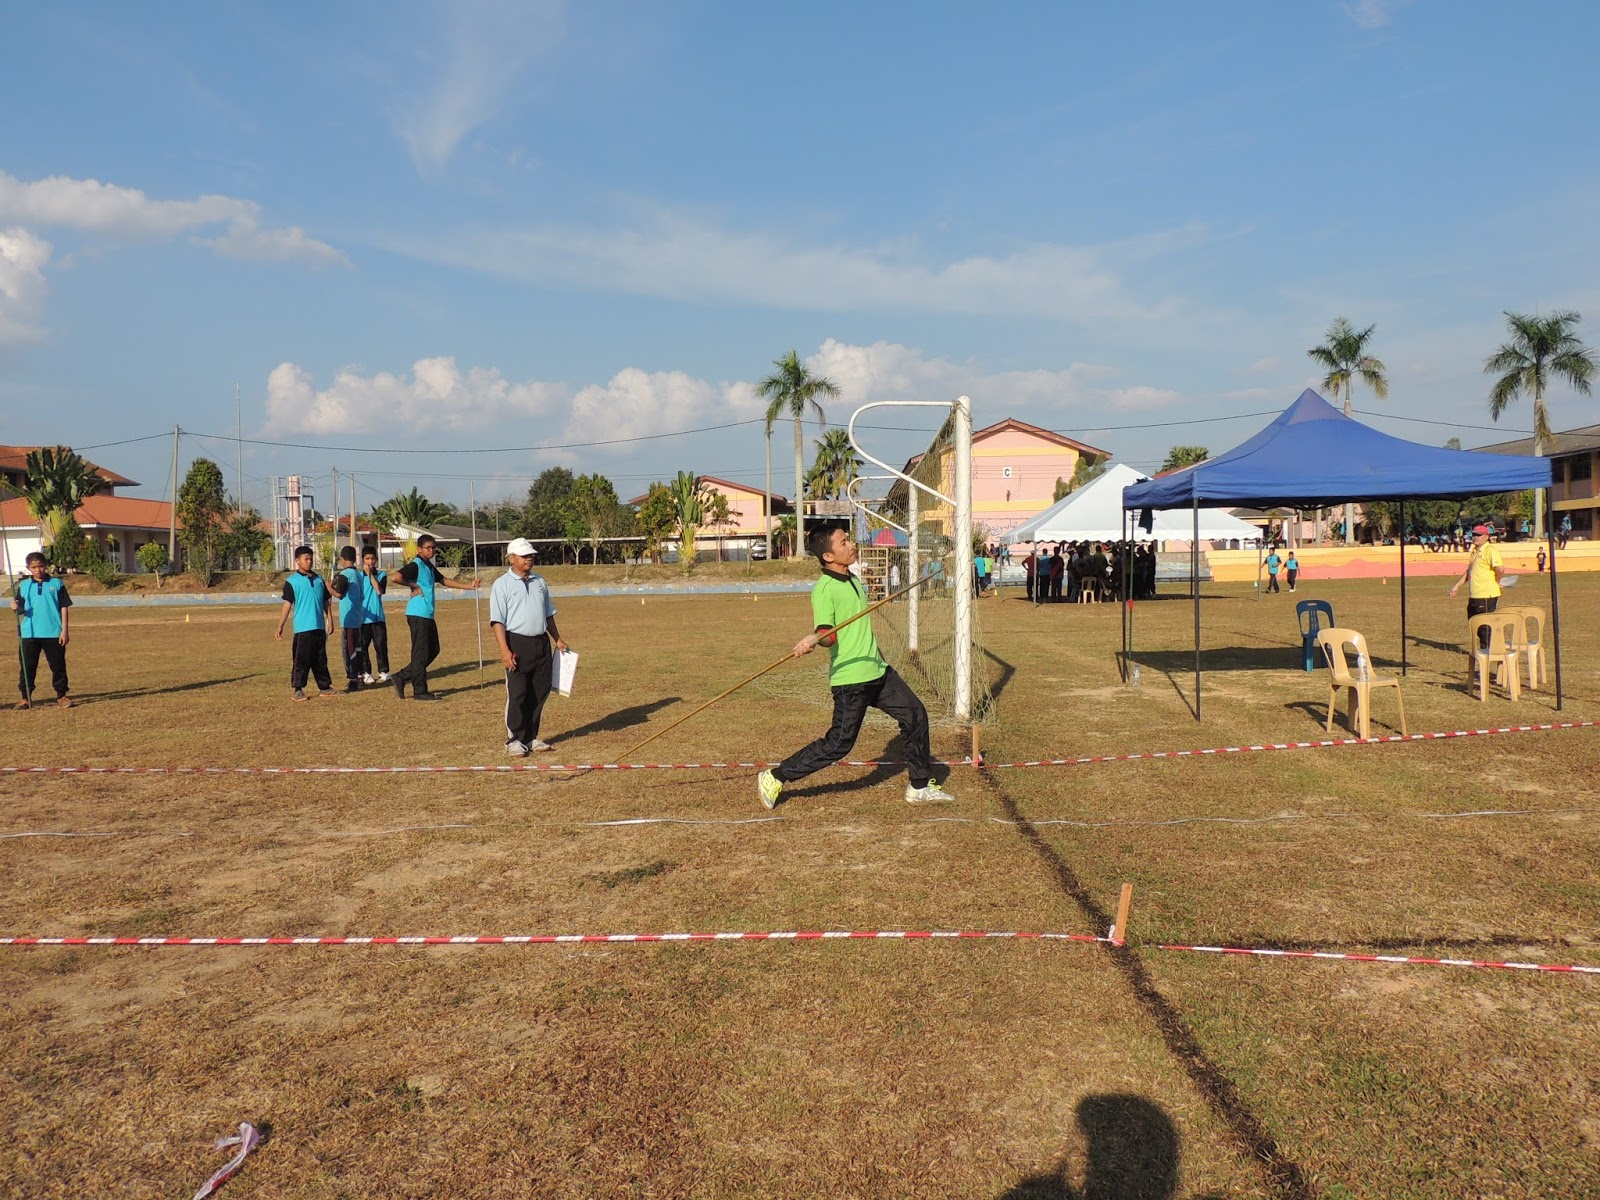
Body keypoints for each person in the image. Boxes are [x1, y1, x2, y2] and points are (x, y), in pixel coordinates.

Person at [757, 526, 953, 810]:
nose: (851, 545)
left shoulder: (853, 580)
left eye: (849, 540)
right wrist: (815, 639)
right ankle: (776, 776)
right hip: (851, 679)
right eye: (843, 542)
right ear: (828, 555)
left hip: (878, 670)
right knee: (839, 743)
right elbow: (828, 633)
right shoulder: (825, 589)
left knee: (915, 714)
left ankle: (919, 786)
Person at [489, 537, 567, 755]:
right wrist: (504, 650)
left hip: (540, 642)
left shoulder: (540, 582)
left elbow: (548, 614)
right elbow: (497, 621)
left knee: (540, 691)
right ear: (511, 558)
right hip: (517, 642)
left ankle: (530, 737)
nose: (529, 559)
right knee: (518, 693)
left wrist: (557, 639)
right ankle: (514, 739)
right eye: (524, 556)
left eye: (530, 555)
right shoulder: (501, 585)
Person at [391, 534, 481, 701]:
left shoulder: (428, 566)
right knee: (420, 653)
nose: (431, 550)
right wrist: (413, 585)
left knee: (433, 650)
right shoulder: (416, 564)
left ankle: (401, 676)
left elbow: (443, 580)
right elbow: (395, 577)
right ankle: (420, 691)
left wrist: (469, 587)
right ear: (419, 549)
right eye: (428, 548)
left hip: (427, 613)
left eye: (433, 548)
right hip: (418, 613)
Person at [12, 550, 73, 709]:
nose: (38, 570)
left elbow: (64, 607)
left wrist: (64, 631)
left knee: (58, 666)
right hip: (29, 633)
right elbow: (21, 609)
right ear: (28, 568)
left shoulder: (56, 583)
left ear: (45, 566)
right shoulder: (23, 586)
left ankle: (61, 695)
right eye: (34, 567)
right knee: (27, 667)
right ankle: (26, 697)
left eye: (40, 566)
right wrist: (16, 607)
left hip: (53, 632)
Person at [274, 544, 335, 701]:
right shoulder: (292, 582)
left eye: (311, 559)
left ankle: (325, 687)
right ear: (297, 561)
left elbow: (325, 602)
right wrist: (280, 626)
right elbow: (287, 604)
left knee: (320, 659)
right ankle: (298, 689)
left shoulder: (319, 580)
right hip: (303, 628)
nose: (309, 562)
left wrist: (330, 619)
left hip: (319, 627)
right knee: (301, 660)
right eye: (306, 559)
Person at [1449, 524, 1503, 656]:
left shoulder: (1490, 551)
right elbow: (1469, 571)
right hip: (1475, 594)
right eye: (1474, 534)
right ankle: (1484, 651)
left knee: (1485, 626)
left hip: (1486, 594)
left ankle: (1488, 652)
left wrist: (1496, 581)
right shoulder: (1474, 552)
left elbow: (1500, 569)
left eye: (1479, 535)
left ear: (1486, 536)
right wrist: (1457, 585)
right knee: (1474, 623)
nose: (1475, 537)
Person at [335, 546, 368, 692]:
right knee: (358, 648)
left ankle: (353, 679)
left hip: (349, 619)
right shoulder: (358, 574)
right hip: (358, 617)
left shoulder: (345, 574)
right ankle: (360, 675)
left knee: (349, 649)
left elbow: (339, 594)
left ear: (342, 559)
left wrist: (328, 587)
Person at [360, 545, 390, 682]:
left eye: (372, 559)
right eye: (367, 559)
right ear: (362, 560)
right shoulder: (358, 577)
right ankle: (366, 672)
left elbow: (380, 591)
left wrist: (371, 575)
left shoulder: (382, 575)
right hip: (363, 618)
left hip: (378, 617)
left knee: (381, 645)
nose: (370, 562)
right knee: (363, 646)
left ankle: (383, 671)